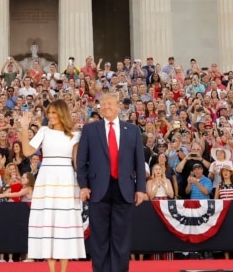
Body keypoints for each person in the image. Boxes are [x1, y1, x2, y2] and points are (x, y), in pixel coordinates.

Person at [76, 92, 147, 272]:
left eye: (110, 103)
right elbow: (81, 161)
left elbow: (139, 162)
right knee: (99, 238)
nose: (106, 106)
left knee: (121, 238)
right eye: (102, 104)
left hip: (125, 189)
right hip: (97, 190)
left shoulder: (132, 130)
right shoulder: (90, 130)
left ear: (118, 107)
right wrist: (83, 186)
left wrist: (140, 189)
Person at [20, 100, 85, 272]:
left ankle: (63, 270)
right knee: (47, 221)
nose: (50, 116)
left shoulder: (75, 134)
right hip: (46, 178)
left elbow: (78, 163)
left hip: (66, 179)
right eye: (49, 113)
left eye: (54, 113)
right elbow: (27, 152)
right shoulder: (44, 131)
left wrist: (85, 183)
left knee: (64, 223)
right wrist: (24, 129)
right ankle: (51, 269)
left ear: (62, 113)